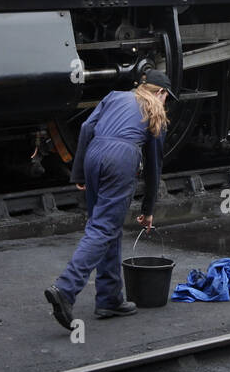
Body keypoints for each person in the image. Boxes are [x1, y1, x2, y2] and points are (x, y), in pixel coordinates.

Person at [44, 69, 178, 330]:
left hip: (95, 152)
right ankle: (65, 288)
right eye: (166, 97)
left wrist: (79, 171)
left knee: (106, 226)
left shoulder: (115, 96)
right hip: (121, 157)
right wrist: (148, 209)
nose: (166, 103)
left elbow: (86, 128)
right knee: (104, 227)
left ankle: (109, 298)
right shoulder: (156, 113)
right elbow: (154, 166)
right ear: (160, 93)